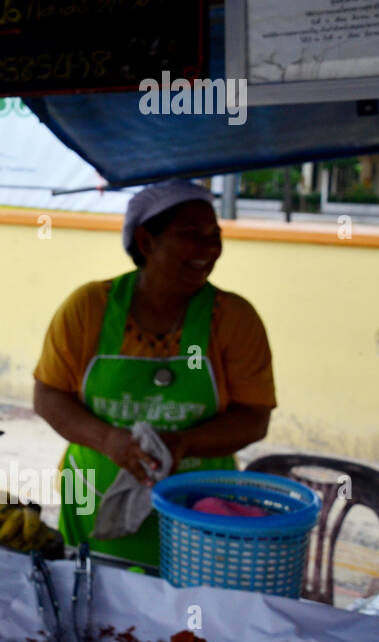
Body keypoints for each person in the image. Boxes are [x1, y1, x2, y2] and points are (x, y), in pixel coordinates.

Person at [32, 180, 277, 566]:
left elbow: (254, 418)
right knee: (97, 611)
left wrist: (183, 443)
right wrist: (110, 440)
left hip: (199, 509)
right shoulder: (88, 309)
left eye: (215, 235)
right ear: (146, 242)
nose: (210, 248)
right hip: (94, 501)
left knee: (188, 619)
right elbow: (48, 395)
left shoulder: (233, 319)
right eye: (191, 235)